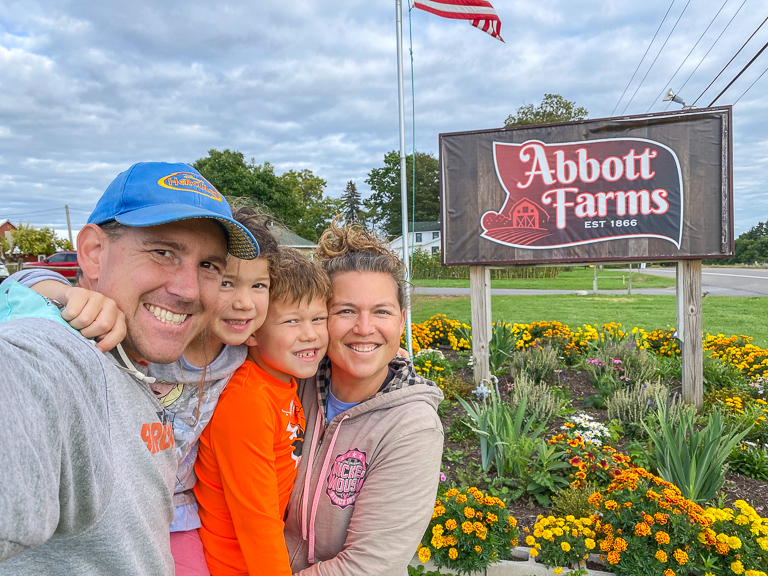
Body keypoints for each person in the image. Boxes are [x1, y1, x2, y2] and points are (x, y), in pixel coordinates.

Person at [0, 162, 259, 576]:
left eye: (209, 266)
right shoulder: (61, 355)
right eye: (163, 252)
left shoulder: (137, 356)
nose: (189, 290)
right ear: (93, 253)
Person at [283, 220, 445, 575]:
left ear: (401, 321)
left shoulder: (411, 426)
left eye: (382, 311)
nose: (364, 328)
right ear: (323, 317)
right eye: (346, 310)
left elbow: (368, 565)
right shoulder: (292, 384)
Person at [194, 247, 332, 576]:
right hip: (236, 565)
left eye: (319, 319)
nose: (310, 334)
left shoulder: (281, 381)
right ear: (251, 329)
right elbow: (257, 521)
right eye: (292, 321)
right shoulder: (248, 401)